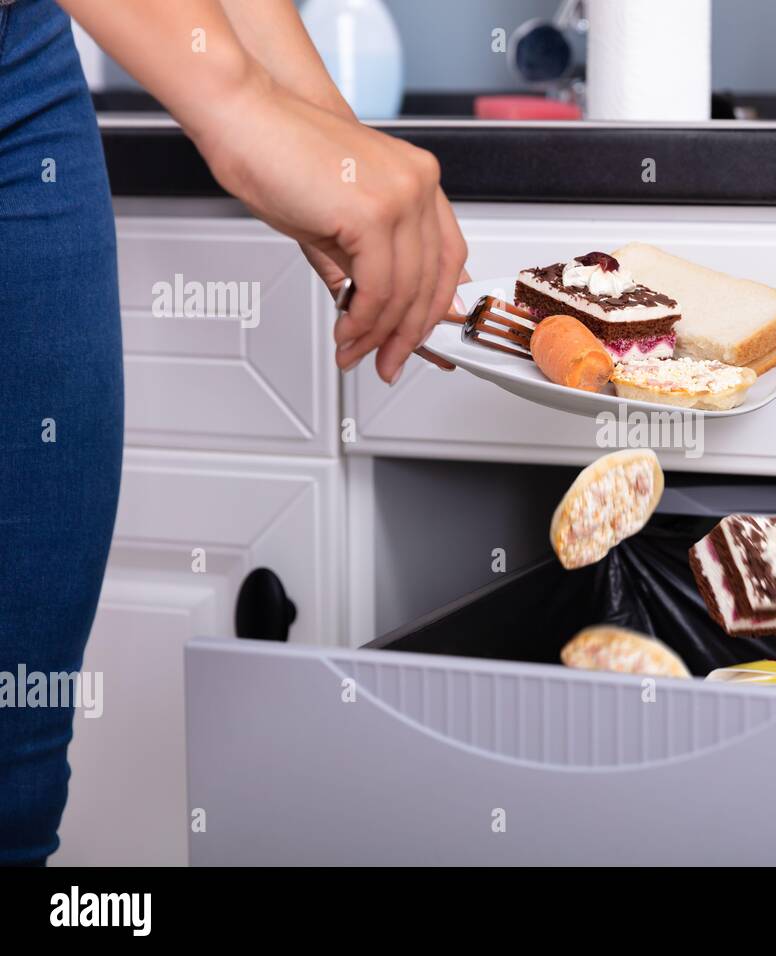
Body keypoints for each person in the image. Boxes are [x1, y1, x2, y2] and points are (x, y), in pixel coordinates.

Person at [0, 0, 467, 864]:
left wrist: (324, 132)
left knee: (12, 781)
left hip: (19, 67)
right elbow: (233, 95)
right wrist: (239, 105)